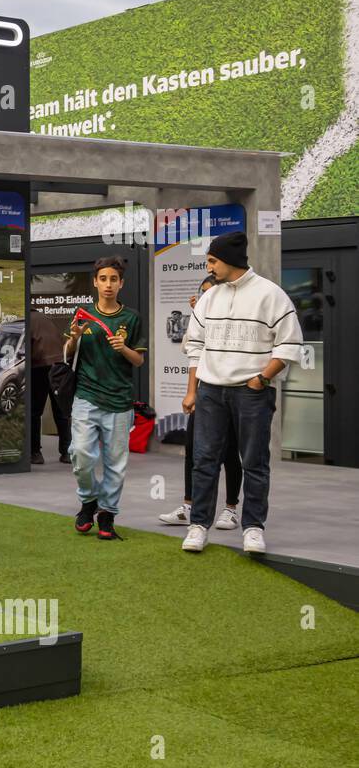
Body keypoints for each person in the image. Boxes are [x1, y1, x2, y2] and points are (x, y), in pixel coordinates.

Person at [180, 231, 302, 555]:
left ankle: (252, 528)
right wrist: (194, 389)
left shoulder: (271, 295)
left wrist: (261, 379)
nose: (209, 267)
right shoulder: (209, 298)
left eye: (212, 261)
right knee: (204, 459)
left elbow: (289, 344)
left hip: (252, 393)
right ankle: (198, 526)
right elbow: (194, 345)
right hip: (210, 392)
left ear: (230, 261)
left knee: (255, 462)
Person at [64, 256, 146, 540]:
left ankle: (107, 513)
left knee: (116, 463)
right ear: (95, 282)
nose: (108, 284)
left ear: (121, 283)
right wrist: (74, 337)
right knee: (81, 454)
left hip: (120, 401)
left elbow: (138, 361)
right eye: (103, 279)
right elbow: (67, 353)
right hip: (86, 396)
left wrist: (123, 348)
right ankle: (88, 500)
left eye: (114, 279)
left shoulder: (131, 318)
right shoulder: (83, 313)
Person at [158, 274, 242, 529]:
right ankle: (188, 505)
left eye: (211, 291)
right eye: (203, 292)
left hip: (231, 392)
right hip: (205, 391)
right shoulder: (200, 319)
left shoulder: (233, 319)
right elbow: (189, 350)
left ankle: (231, 508)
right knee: (193, 450)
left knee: (229, 453)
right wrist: (197, 316)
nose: (207, 296)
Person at [28, 310, 71, 464]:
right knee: (61, 410)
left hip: (39, 366)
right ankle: (67, 452)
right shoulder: (43, 318)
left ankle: (35, 453)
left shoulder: (26, 320)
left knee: (34, 411)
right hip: (59, 364)